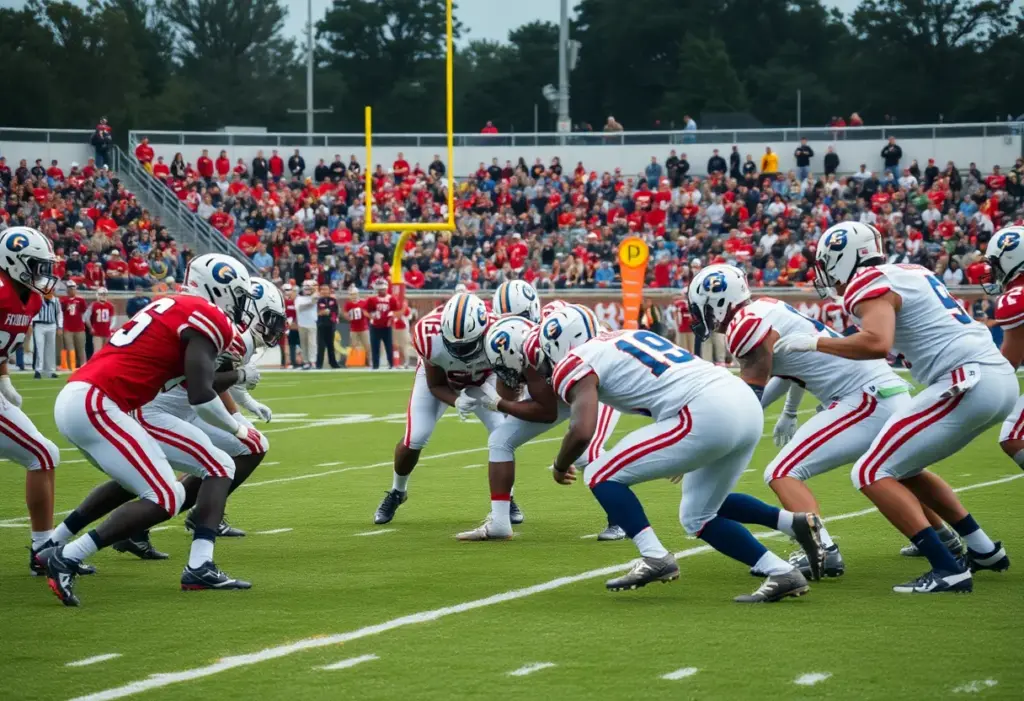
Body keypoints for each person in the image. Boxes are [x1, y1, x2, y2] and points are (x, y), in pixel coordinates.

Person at [775, 222, 1012, 594]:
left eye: (827, 263)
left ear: (842, 257)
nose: (827, 274)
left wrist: (816, 343)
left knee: (870, 471)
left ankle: (947, 569)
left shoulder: (866, 283)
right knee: (904, 467)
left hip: (966, 379)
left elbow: (875, 342)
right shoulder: (910, 271)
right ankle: (983, 550)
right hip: (993, 376)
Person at [539, 308, 823, 602]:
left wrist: (561, 465)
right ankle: (784, 555)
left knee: (600, 472)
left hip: (703, 411)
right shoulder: (630, 335)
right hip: (742, 402)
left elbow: (582, 430)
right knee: (698, 514)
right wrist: (681, 447)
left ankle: (655, 557)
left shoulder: (576, 360)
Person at [38, 254, 259, 606]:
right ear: (218, 289)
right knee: (166, 496)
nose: (238, 305)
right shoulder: (207, 314)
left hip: (85, 397)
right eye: (236, 294)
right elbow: (200, 394)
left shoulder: (171, 303)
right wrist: (239, 429)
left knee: (204, 470)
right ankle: (67, 556)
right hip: (101, 402)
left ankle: (199, 565)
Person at [690, 264, 924, 578]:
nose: (699, 316)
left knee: (783, 471)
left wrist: (729, 425)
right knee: (904, 472)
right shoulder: (765, 308)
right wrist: (787, 412)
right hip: (883, 389)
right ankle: (948, 539)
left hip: (864, 397)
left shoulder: (746, 323)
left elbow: (758, 381)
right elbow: (794, 368)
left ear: (717, 302)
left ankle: (822, 549)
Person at [115, 277, 282, 559]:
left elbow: (221, 379)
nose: (274, 328)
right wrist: (237, 421)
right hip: (162, 408)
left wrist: (247, 404)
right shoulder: (228, 332)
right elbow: (207, 383)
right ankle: (148, 525)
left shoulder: (233, 333)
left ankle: (195, 514)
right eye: (269, 318)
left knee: (245, 448)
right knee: (223, 458)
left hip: (184, 406)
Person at [457, 303, 624, 542]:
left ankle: (621, 518)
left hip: (599, 385)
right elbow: (514, 392)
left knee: (587, 451)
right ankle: (500, 523)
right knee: (500, 439)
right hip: (564, 390)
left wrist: (498, 404)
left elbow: (544, 412)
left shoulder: (536, 349)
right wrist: (500, 394)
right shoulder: (522, 345)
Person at [372, 293, 503, 525]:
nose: (460, 351)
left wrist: (495, 395)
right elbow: (435, 384)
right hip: (443, 376)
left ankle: (506, 499)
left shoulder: (500, 332)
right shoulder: (428, 334)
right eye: (453, 344)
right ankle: (397, 491)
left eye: (467, 345)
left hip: (484, 377)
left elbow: (507, 374)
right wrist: (457, 401)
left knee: (503, 434)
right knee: (415, 437)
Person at [0, 228, 65, 574]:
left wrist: (5, 378)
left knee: (45, 453)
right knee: (41, 453)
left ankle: (43, 548)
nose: (44, 273)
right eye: (37, 266)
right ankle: (43, 552)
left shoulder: (32, 298)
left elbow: (3, 345)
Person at [985, 226, 1024, 469]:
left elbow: (1008, 363)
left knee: (1014, 436)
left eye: (996, 264)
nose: (994, 272)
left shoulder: (1017, 295)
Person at [367, 278, 399, 370]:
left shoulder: (391, 299)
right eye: (380, 289)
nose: (382, 291)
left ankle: (391, 365)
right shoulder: (372, 299)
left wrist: (391, 318)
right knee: (375, 347)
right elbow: (366, 311)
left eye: (383, 289)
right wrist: (371, 316)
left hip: (387, 326)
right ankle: (375, 366)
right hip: (375, 326)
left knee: (389, 346)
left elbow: (395, 311)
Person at [32, 291, 61, 379]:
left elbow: (59, 313)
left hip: (51, 325)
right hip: (39, 325)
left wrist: (59, 326)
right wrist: (31, 324)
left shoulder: (55, 300)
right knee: (39, 347)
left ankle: (50, 371)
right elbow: (33, 311)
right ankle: (38, 370)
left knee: (51, 349)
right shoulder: (38, 300)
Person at [60, 281, 87, 369]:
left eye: (73, 288)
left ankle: (84, 366)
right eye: (70, 288)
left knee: (81, 348)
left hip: (79, 328)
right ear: (67, 290)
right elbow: (61, 312)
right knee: (70, 348)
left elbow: (84, 312)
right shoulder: (63, 300)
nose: (72, 290)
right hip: (68, 327)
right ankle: (71, 366)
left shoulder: (81, 300)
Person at [315, 284, 340, 369]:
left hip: (330, 325)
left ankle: (333, 363)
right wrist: (322, 312)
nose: (325, 291)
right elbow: (317, 312)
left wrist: (330, 314)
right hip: (321, 325)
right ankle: (319, 364)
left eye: (326, 289)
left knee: (331, 345)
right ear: (320, 291)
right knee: (321, 346)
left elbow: (335, 311)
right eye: (323, 289)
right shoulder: (318, 301)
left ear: (329, 291)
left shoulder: (333, 300)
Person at [295, 279, 317, 369]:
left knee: (312, 343)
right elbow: (299, 307)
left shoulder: (314, 297)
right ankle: (306, 361)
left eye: (309, 288)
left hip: (312, 323)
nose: (307, 290)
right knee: (303, 344)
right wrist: (309, 304)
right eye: (306, 288)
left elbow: (313, 300)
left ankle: (312, 361)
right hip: (302, 323)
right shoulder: (298, 298)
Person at [344, 286, 370, 362]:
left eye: (355, 294)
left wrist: (365, 313)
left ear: (358, 294)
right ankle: (352, 360)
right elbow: (345, 314)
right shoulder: (348, 304)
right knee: (352, 345)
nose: (353, 296)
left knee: (367, 345)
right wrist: (348, 316)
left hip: (363, 327)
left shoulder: (363, 302)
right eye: (352, 294)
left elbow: (368, 312)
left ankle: (369, 360)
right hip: (353, 328)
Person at [86, 287, 114, 356]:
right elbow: (86, 317)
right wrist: (91, 328)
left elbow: (112, 319)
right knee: (97, 352)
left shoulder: (110, 305)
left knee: (106, 352)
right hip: (97, 332)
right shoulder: (93, 305)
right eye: (101, 294)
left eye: (104, 294)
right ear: (98, 295)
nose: (103, 296)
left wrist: (110, 328)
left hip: (106, 332)